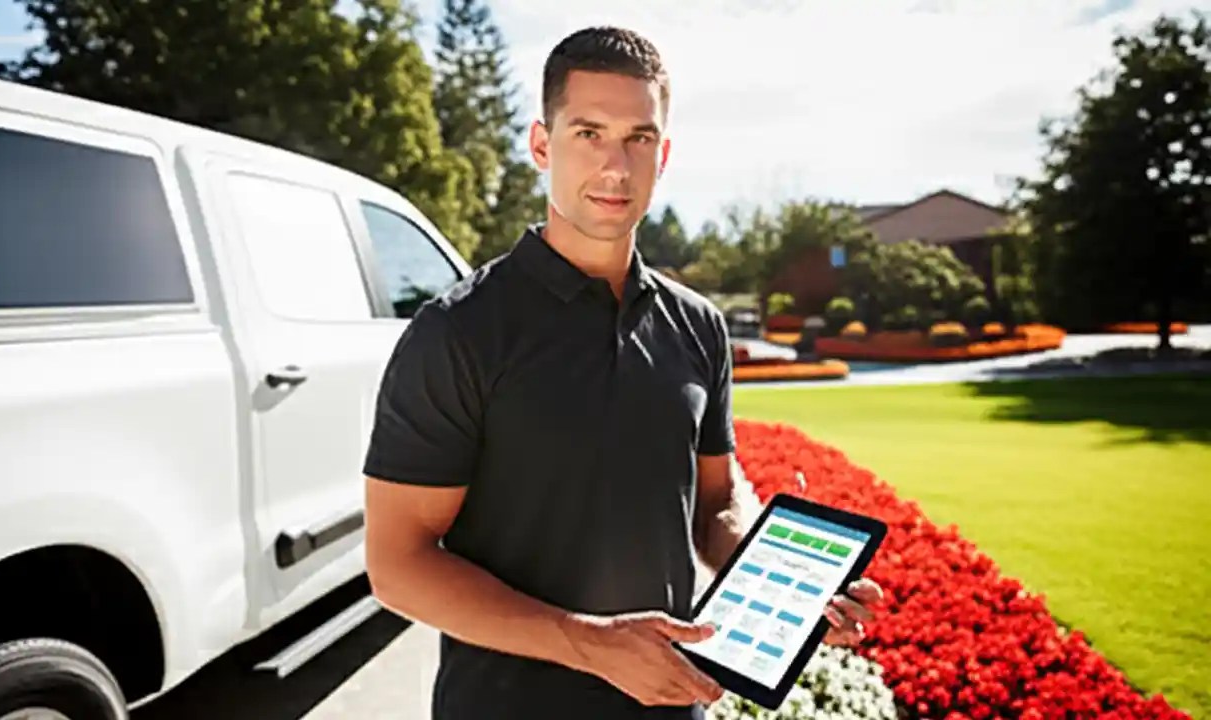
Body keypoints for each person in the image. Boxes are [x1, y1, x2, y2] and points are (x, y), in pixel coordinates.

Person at [362, 25, 883, 720]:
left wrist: (787, 586)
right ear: (542, 145)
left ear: (662, 156)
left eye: (639, 138)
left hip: (674, 704)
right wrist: (589, 645)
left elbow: (716, 502)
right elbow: (399, 564)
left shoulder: (698, 326)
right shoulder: (458, 332)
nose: (616, 166)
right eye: (589, 133)